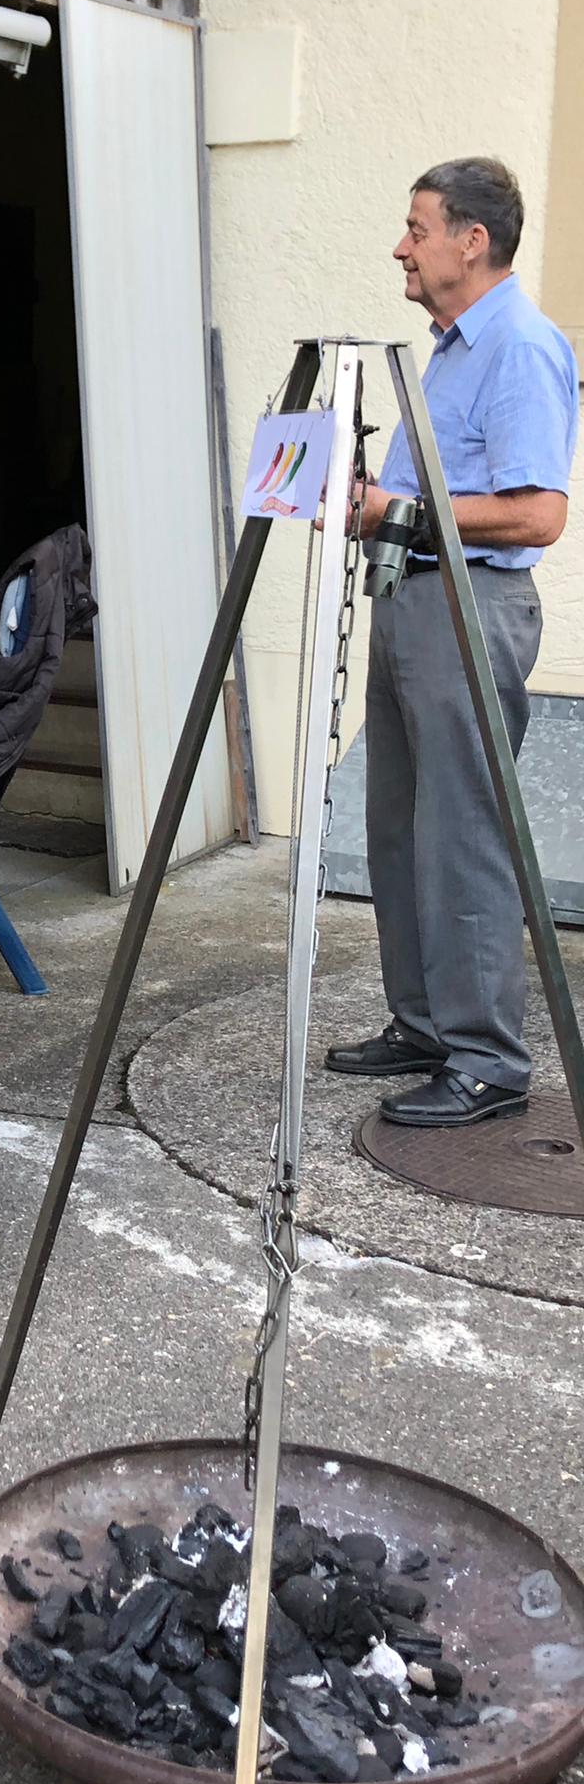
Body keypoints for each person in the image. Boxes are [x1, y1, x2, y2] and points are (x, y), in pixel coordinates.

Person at [324, 158, 578, 1128]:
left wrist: (402, 508)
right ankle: (426, 1022)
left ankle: (488, 1059)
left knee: (463, 836)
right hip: (414, 600)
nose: (402, 245)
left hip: (469, 607)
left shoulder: (518, 345)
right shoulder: (451, 346)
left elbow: (539, 514)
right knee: (397, 827)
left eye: (417, 228)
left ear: (472, 241)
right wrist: (373, 512)